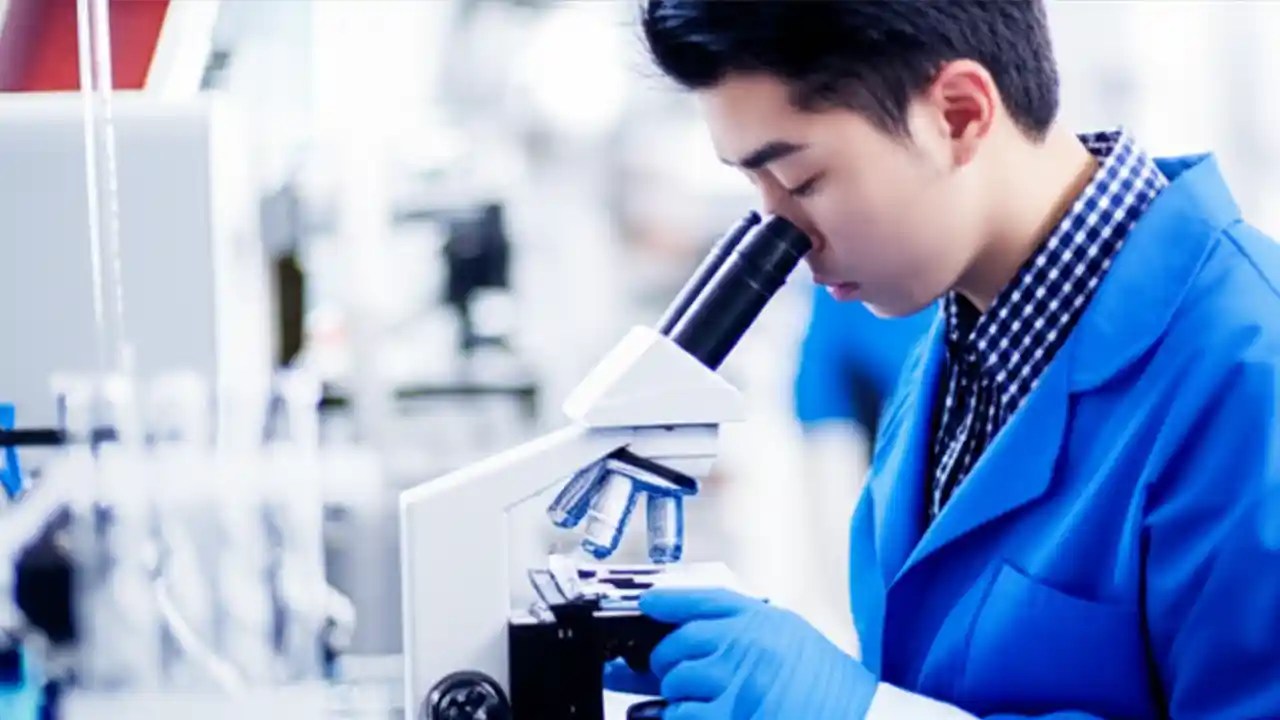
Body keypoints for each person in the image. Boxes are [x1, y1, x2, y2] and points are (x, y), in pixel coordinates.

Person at [605, 1, 1280, 718]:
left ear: (958, 114)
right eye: (756, 190)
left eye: (802, 183)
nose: (786, 244)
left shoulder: (1250, 366)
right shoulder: (963, 340)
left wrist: (863, 714)